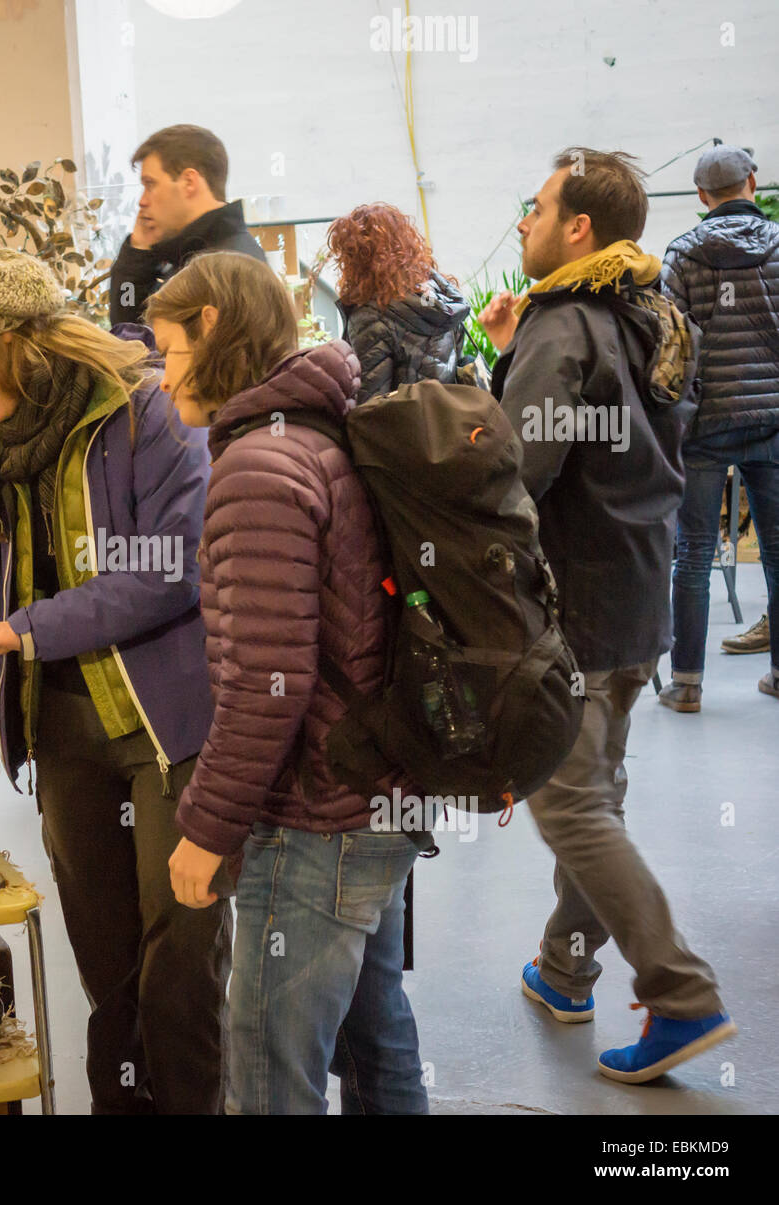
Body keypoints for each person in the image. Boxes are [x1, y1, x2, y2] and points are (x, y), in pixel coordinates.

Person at [0, 247, 232, 1114]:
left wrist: (23, 628)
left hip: (166, 732)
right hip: (64, 737)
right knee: (108, 971)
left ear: (4, 340)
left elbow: (170, 573)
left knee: (180, 969)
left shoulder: (143, 409)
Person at [148, 251, 426, 1116]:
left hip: (317, 817)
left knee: (270, 1077)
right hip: (375, 796)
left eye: (166, 352)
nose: (161, 380)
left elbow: (270, 680)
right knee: (376, 1041)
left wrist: (205, 826)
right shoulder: (313, 431)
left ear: (210, 328)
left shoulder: (257, 469)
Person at [480, 147, 735, 1083]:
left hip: (572, 605)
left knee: (573, 803)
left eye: (536, 207)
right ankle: (563, 969)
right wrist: (516, 353)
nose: (524, 223)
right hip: (639, 591)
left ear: (577, 227)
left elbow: (519, 471)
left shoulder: (567, 322)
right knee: (599, 789)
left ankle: (681, 993)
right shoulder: (649, 309)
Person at [657, 144, 779, 709]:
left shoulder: (680, 256)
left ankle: (686, 685)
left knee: (695, 554)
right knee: (777, 551)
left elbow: (671, 348)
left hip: (704, 425)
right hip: (773, 420)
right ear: (753, 182)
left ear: (702, 198)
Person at [109, 124, 264, 326]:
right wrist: (135, 260)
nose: (142, 201)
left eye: (150, 184)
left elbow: (138, 348)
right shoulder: (189, 254)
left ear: (189, 182)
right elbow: (128, 332)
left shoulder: (228, 268)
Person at [326, 202, 475, 402]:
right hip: (448, 422)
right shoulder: (438, 298)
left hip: (405, 429)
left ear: (357, 259)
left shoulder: (371, 316)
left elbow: (373, 406)